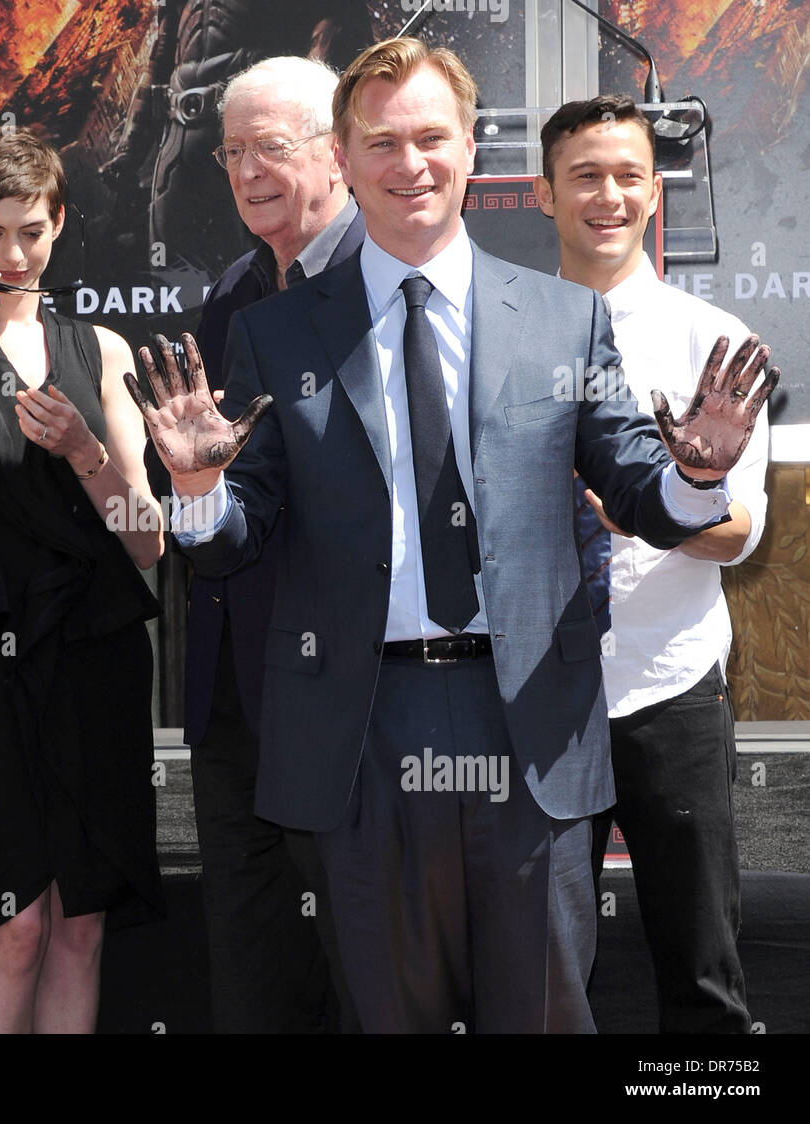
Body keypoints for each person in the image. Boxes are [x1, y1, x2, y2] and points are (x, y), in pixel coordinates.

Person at [129, 37, 778, 1032]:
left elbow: (633, 486)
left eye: (431, 136)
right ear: (342, 159)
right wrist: (198, 486)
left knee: (544, 1011)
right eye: (381, 142)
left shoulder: (561, 321)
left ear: (472, 148)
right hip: (358, 729)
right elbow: (233, 541)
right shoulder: (280, 331)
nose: (409, 163)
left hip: (527, 721)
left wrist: (695, 473)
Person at [0, 127, 165, 1034]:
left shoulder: (106, 348)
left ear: (59, 227)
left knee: (81, 922)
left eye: (31, 232)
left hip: (99, 653)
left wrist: (87, 452)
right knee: (16, 921)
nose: (11, 254)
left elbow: (146, 542)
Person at [536, 94, 766, 1033]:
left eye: (628, 175)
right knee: (542, 974)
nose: (608, 195)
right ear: (544, 194)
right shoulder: (498, 336)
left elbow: (739, 532)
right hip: (537, 694)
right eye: (585, 175)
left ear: (656, 192)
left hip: (668, 689)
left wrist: (654, 516)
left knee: (702, 975)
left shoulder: (714, 342)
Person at [183, 55, 364, 1033]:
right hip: (233, 699)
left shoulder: (389, 287)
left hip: (350, 699)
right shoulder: (228, 296)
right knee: (253, 984)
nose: (249, 170)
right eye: (232, 152)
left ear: (335, 154)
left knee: (369, 971)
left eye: (272, 147)